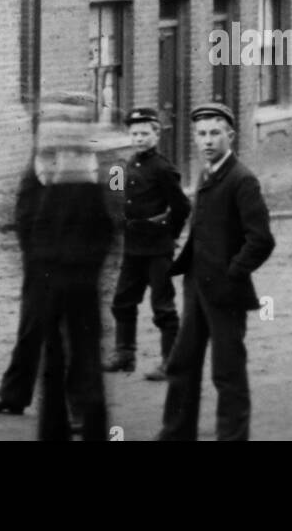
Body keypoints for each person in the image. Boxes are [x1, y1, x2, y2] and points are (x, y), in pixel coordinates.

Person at [157, 103, 275, 442]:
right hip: (197, 287)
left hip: (225, 292)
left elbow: (261, 240)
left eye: (215, 133)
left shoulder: (242, 180)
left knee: (227, 372)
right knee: (182, 363)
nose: (207, 140)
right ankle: (176, 433)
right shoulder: (207, 172)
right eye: (201, 134)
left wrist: (233, 274)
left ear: (230, 135)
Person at [31, 112, 114, 441]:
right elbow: (105, 238)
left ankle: (72, 430)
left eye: (71, 153)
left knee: (71, 362)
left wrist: (57, 270)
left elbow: (41, 239)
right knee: (72, 361)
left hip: (67, 289)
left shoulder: (70, 196)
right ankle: (69, 430)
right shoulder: (80, 195)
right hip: (74, 289)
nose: (65, 159)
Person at [103, 107, 190, 380]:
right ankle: (124, 354)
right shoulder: (125, 165)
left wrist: (169, 234)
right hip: (133, 247)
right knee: (122, 301)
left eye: (144, 133)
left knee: (163, 306)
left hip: (157, 249)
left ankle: (171, 362)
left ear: (156, 135)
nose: (139, 138)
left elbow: (182, 206)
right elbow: (117, 199)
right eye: (134, 134)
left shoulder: (164, 169)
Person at [0, 148, 47, 415]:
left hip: (71, 260)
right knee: (30, 327)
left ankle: (81, 409)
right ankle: (14, 394)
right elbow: (24, 209)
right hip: (38, 260)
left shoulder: (84, 158)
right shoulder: (40, 157)